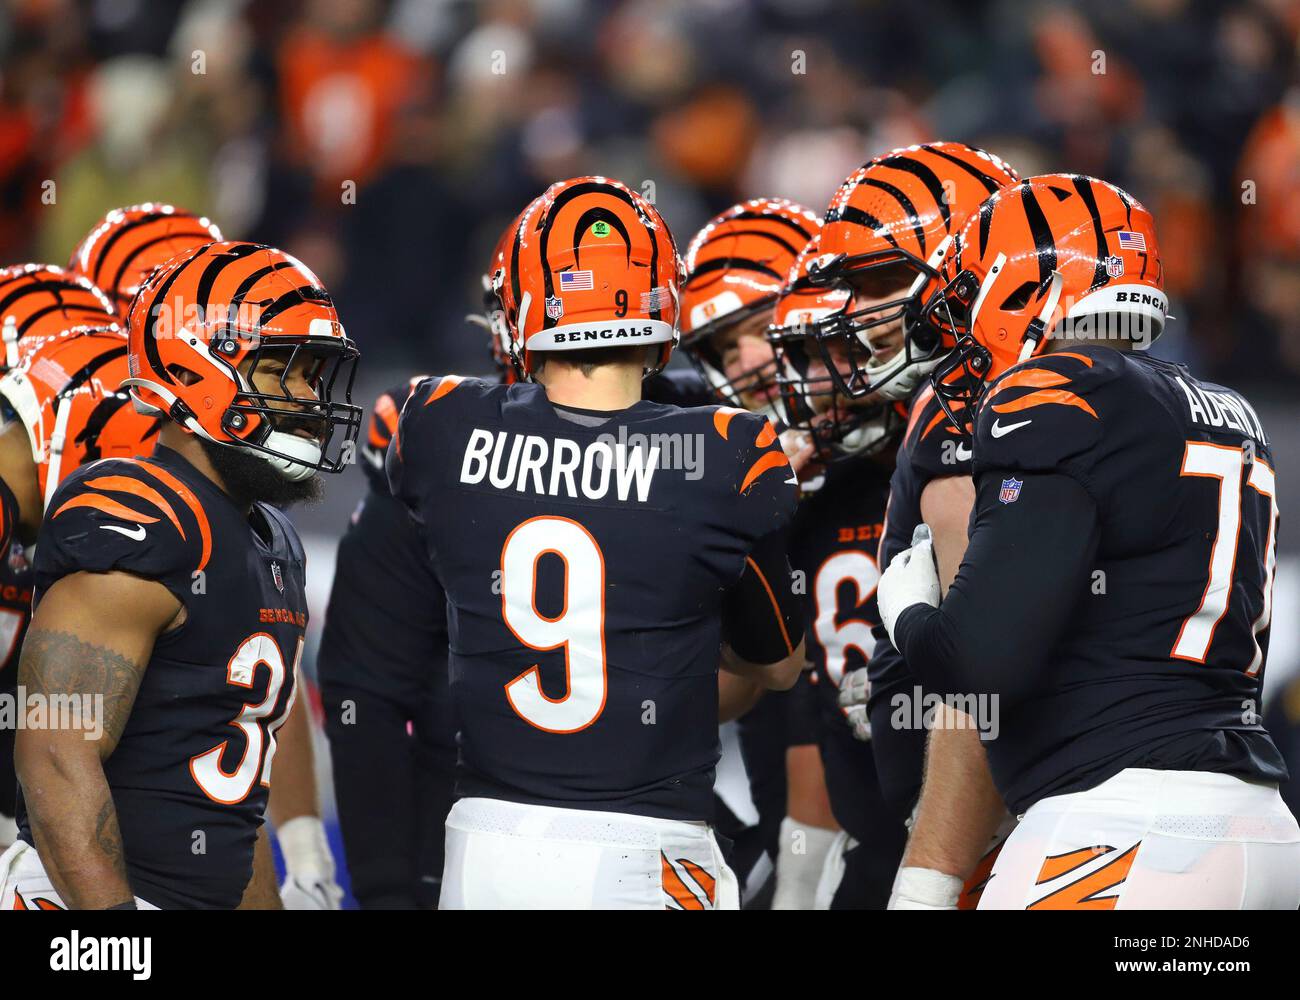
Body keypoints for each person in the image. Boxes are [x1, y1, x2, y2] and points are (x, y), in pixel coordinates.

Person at [878, 174, 1300, 909]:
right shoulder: (1229, 409)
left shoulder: (1052, 394)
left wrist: (910, 612)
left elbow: (981, 666)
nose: (962, 341)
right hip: (1259, 829)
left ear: (1023, 293)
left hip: (1117, 835)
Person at [387, 176, 806, 909]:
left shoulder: (438, 422)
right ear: (661, 302)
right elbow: (776, 669)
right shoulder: (728, 451)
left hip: (487, 850)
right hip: (645, 848)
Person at [1, 240, 361, 909]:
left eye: (315, 375)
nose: (310, 400)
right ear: (199, 369)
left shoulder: (272, 538)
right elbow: (54, 755)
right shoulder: (137, 511)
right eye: (285, 372)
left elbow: (229, 808)